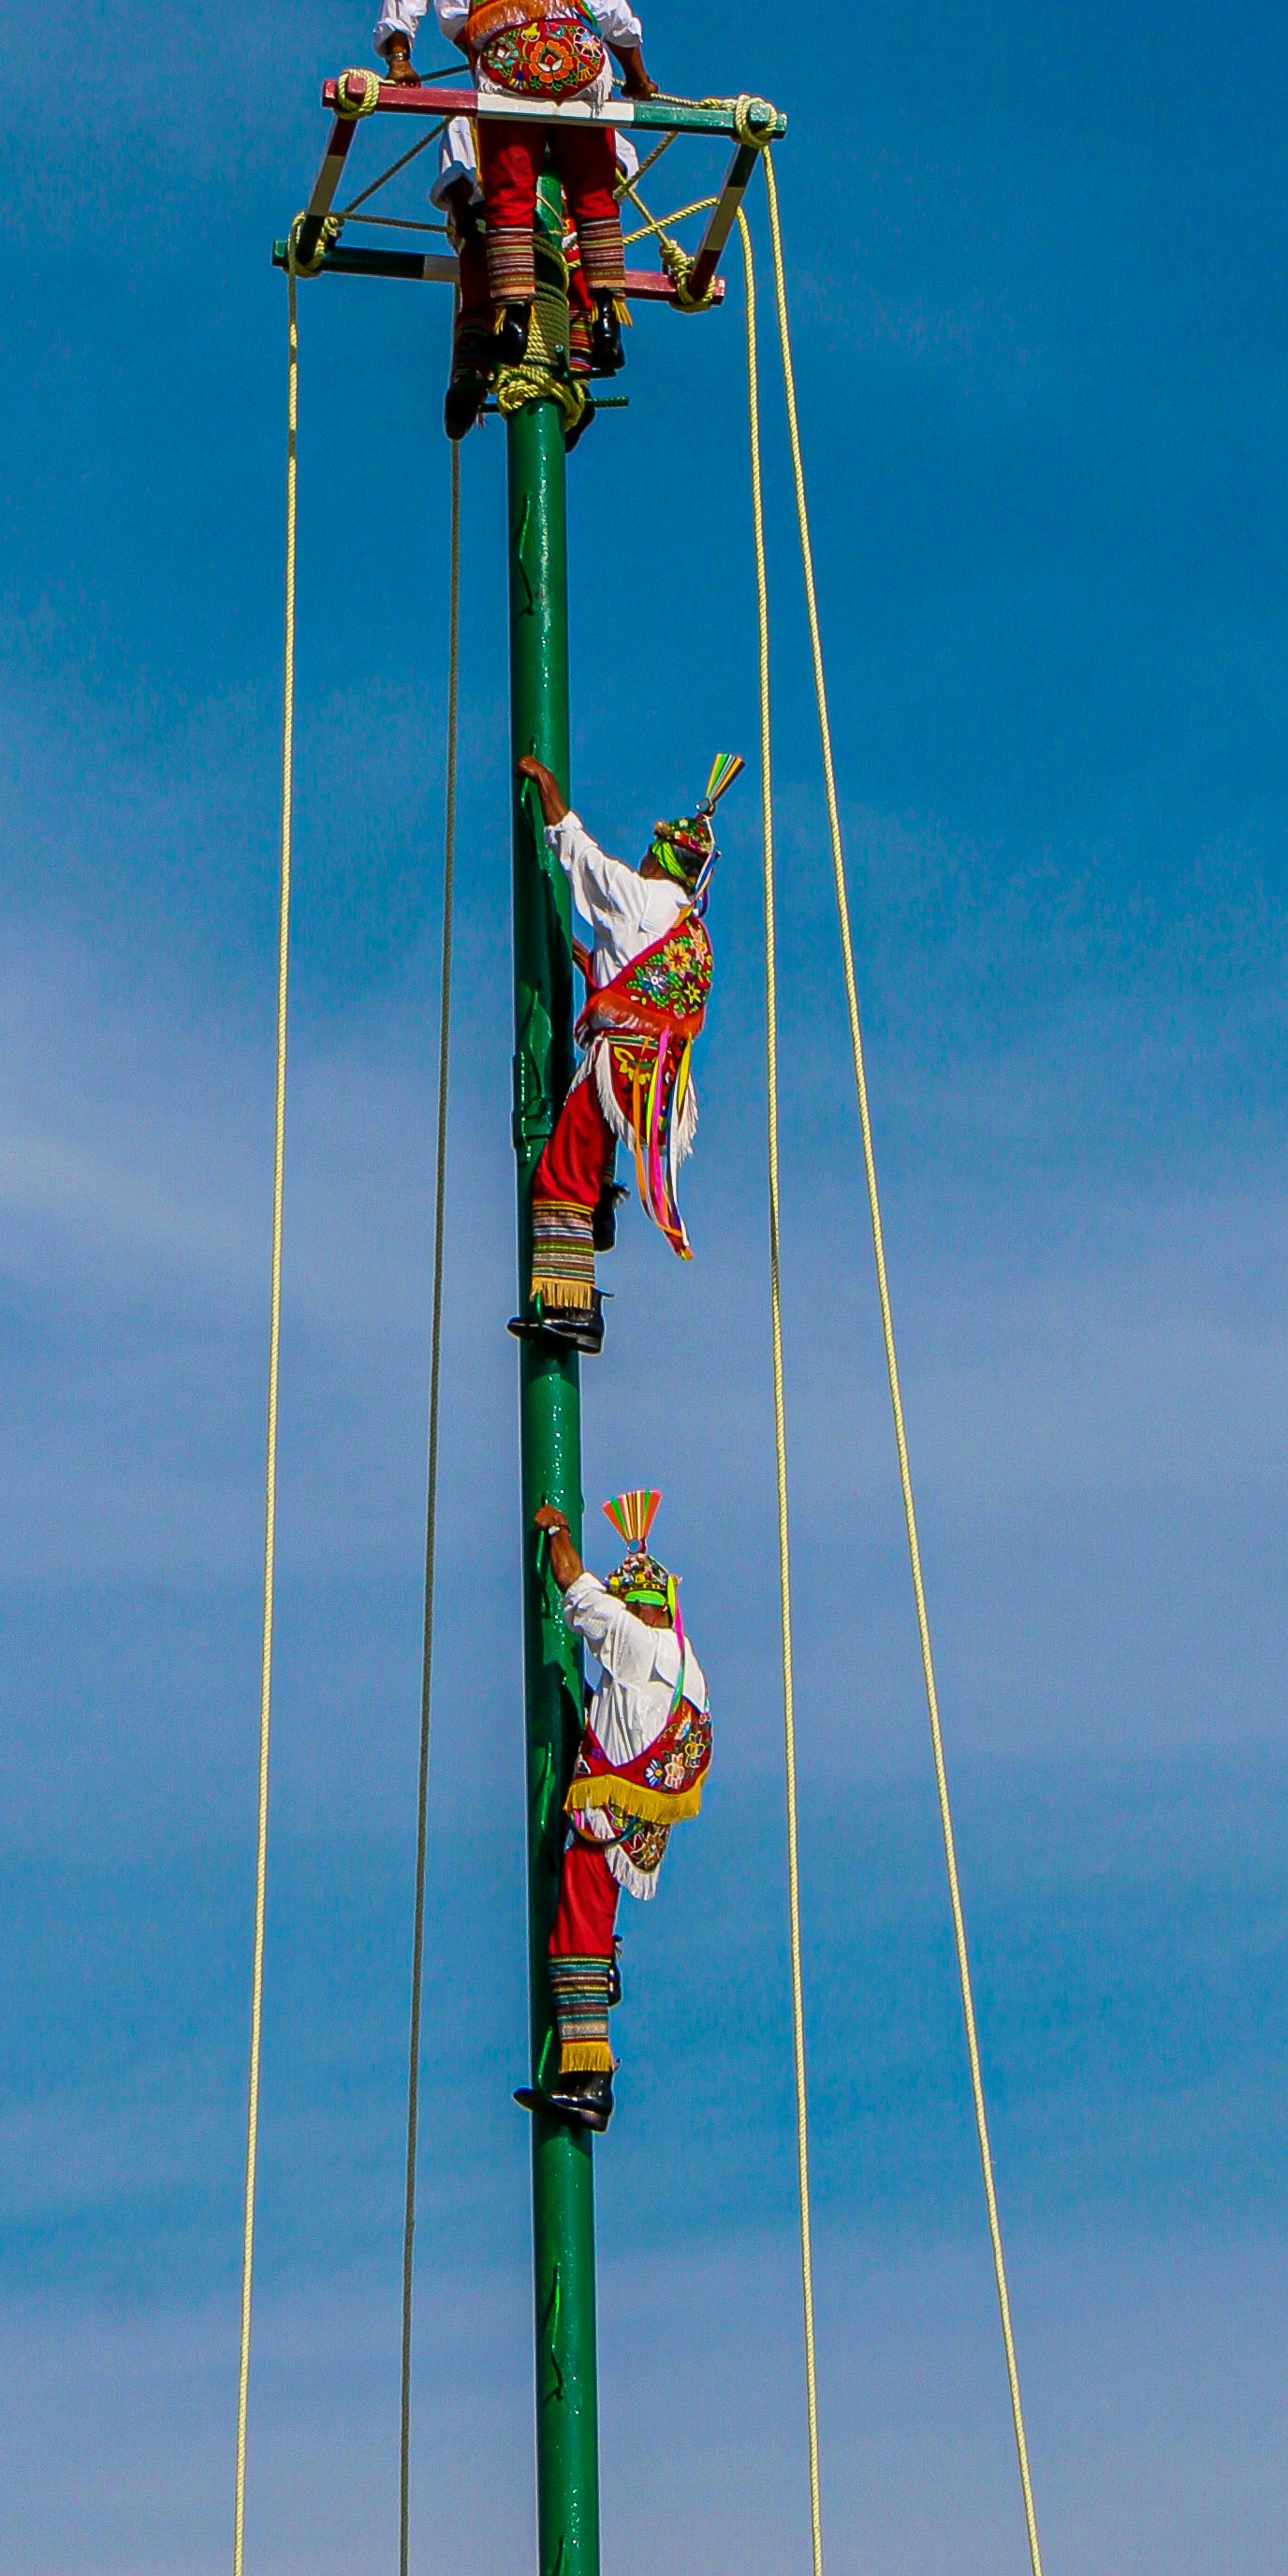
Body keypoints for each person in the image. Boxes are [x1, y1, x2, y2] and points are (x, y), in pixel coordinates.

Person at [368, 0, 650, 427]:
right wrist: (638, 77)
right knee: (595, 196)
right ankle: (599, 323)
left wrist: (400, 61)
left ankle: (502, 323)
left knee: (502, 199)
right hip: (581, 70)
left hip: (507, 75)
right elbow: (612, 11)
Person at [512, 745, 741, 1348]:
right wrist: (589, 961)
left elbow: (578, 852)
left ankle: (570, 1306)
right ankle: (603, 1212)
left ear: (659, 858)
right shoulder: (689, 928)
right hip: (659, 1082)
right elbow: (637, 979)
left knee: (560, 1173)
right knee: (592, 1147)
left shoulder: (640, 898)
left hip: (618, 1067)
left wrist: (547, 789)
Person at [532, 1493, 710, 2117]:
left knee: (572, 1936)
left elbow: (573, 1584)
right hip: (640, 1831)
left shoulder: (634, 1641)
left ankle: (590, 2079)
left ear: (641, 1606)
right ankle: (607, 1967)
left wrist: (555, 1529)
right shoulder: (687, 1665)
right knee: (590, 1921)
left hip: (605, 1824)